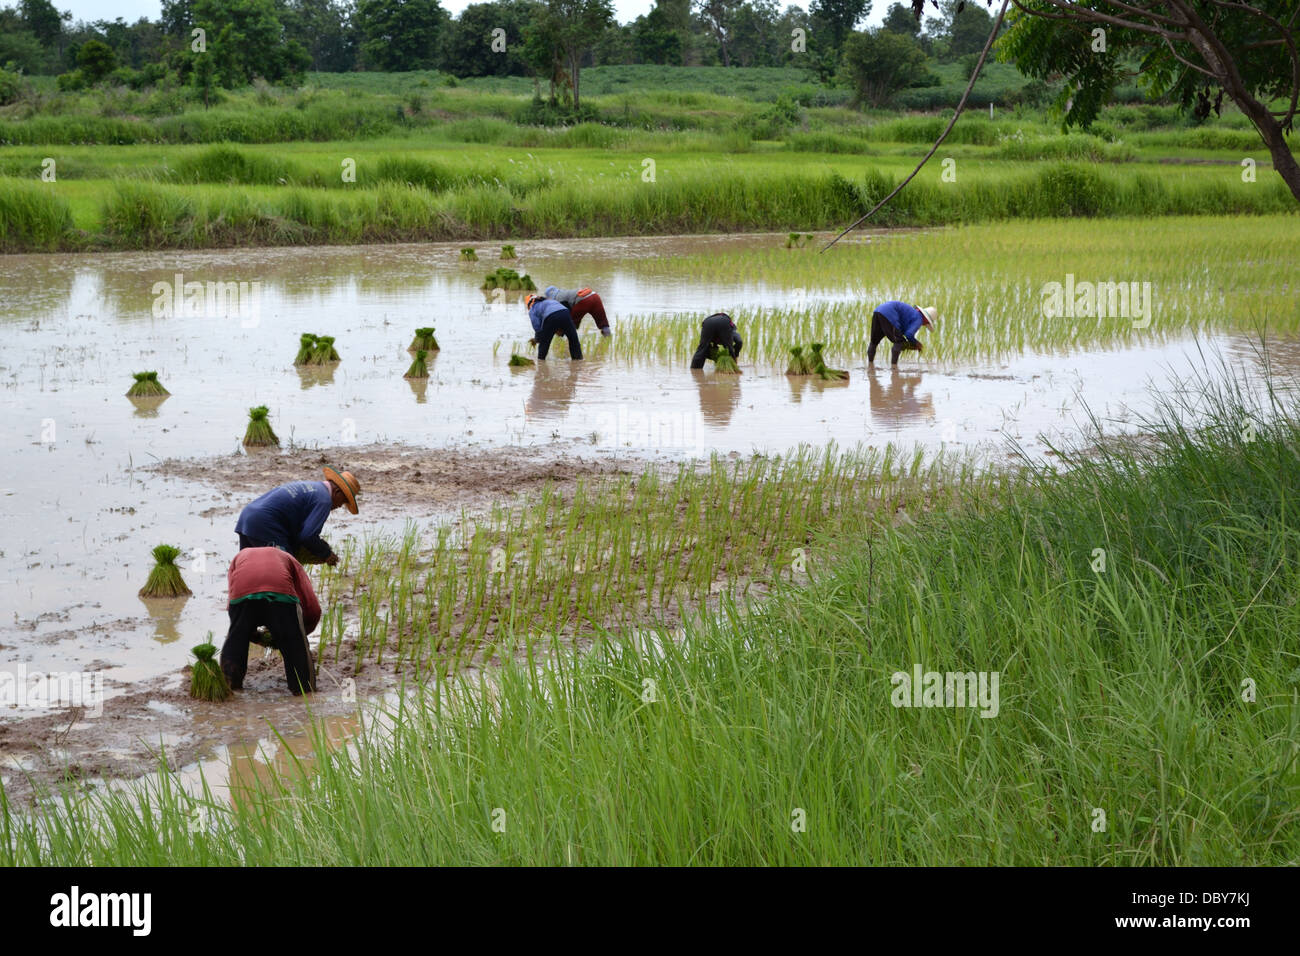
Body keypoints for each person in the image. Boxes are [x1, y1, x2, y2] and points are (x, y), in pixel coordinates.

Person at [220, 547, 320, 694]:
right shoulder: (289, 558)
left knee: (236, 638)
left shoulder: (240, 555)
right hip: (280, 596)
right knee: (294, 644)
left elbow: (233, 598)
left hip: (242, 596)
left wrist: (250, 633)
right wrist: (301, 631)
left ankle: (229, 686)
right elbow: (311, 604)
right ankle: (304, 689)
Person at [235, 467, 360, 566]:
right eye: (343, 501)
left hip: (247, 517)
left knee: (248, 570)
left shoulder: (312, 487)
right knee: (286, 571)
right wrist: (326, 554)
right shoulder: (324, 500)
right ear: (337, 492)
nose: (339, 506)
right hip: (265, 524)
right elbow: (308, 536)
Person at [868, 302, 937, 367]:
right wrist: (916, 343)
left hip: (877, 311)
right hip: (889, 314)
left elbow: (901, 331)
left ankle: (870, 365)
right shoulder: (919, 318)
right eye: (926, 324)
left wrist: (907, 343)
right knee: (898, 342)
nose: (924, 325)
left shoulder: (912, 313)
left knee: (874, 342)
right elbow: (909, 334)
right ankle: (894, 368)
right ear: (926, 320)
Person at [525, 292, 583, 361]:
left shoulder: (533, 309)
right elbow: (559, 313)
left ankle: (541, 363)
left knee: (544, 342)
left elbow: (537, 327)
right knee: (573, 339)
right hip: (565, 312)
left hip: (551, 316)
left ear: (529, 304)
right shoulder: (549, 301)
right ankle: (578, 362)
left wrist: (537, 339)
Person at [544, 285, 611, 336]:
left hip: (583, 301)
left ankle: (569, 343)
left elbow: (564, 314)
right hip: (595, 296)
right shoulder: (564, 293)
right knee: (602, 321)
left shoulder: (557, 299)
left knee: (570, 324)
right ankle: (608, 337)